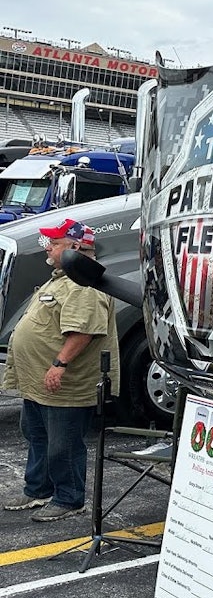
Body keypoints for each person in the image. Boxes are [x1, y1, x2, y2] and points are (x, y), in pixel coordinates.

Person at [1, 218, 120, 522]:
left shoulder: (84, 284)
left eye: (54, 243)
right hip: (39, 383)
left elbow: (83, 331)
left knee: (62, 445)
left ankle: (69, 498)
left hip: (63, 384)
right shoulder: (63, 277)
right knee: (37, 435)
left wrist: (59, 364)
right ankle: (37, 489)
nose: (47, 248)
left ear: (76, 247)